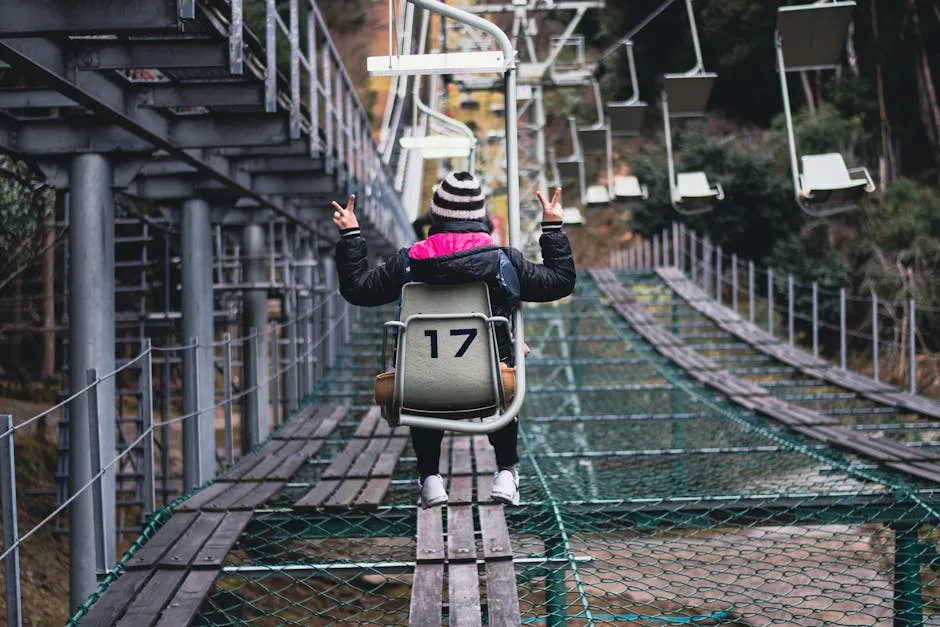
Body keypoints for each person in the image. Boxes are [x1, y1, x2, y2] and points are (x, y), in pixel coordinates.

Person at [332, 171, 576, 507]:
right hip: (488, 385)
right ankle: (506, 471)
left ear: (435, 217)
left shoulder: (407, 263)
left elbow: (357, 288)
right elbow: (561, 281)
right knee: (501, 367)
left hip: (421, 388)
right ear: (481, 217)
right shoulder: (504, 261)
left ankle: (431, 478)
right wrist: (551, 228)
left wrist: (351, 235)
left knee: (423, 375)